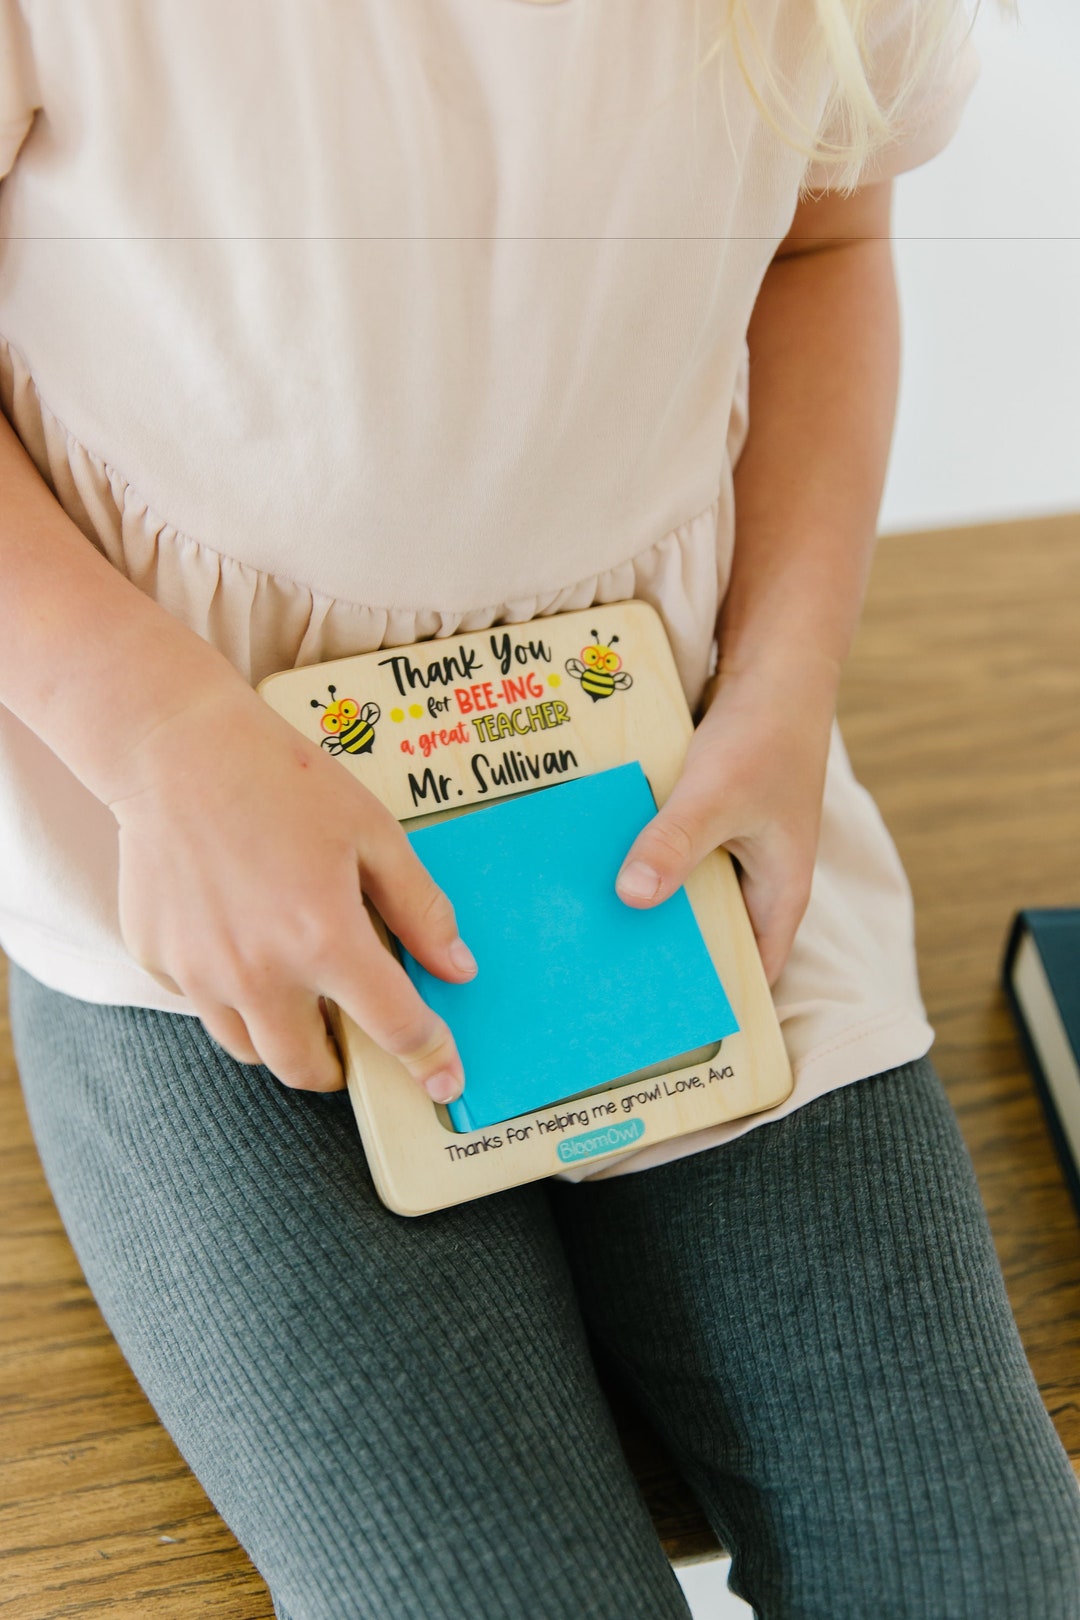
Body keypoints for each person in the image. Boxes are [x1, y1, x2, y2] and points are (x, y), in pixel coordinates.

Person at [2, 1, 1078, 1615]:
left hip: (681, 791)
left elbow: (823, 252)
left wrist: (784, 688)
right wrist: (157, 737)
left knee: (987, 1575)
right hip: (183, 866)